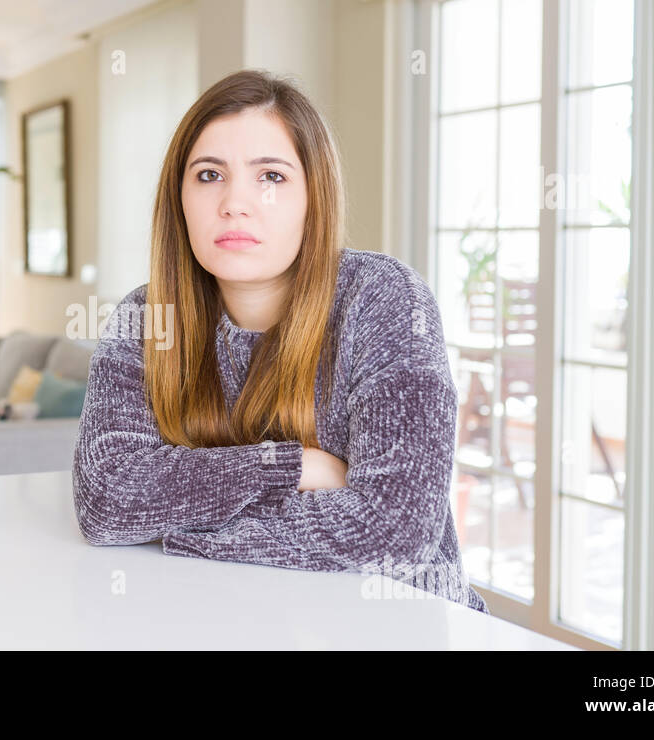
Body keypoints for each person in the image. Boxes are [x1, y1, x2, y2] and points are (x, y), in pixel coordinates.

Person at [71, 68, 488, 614]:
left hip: (402, 625)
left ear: (313, 197)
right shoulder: (148, 317)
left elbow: (396, 529)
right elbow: (106, 500)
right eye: (208, 175)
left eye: (270, 176)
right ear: (179, 199)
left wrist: (179, 531)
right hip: (232, 619)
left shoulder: (384, 299)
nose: (235, 203)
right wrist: (294, 467)